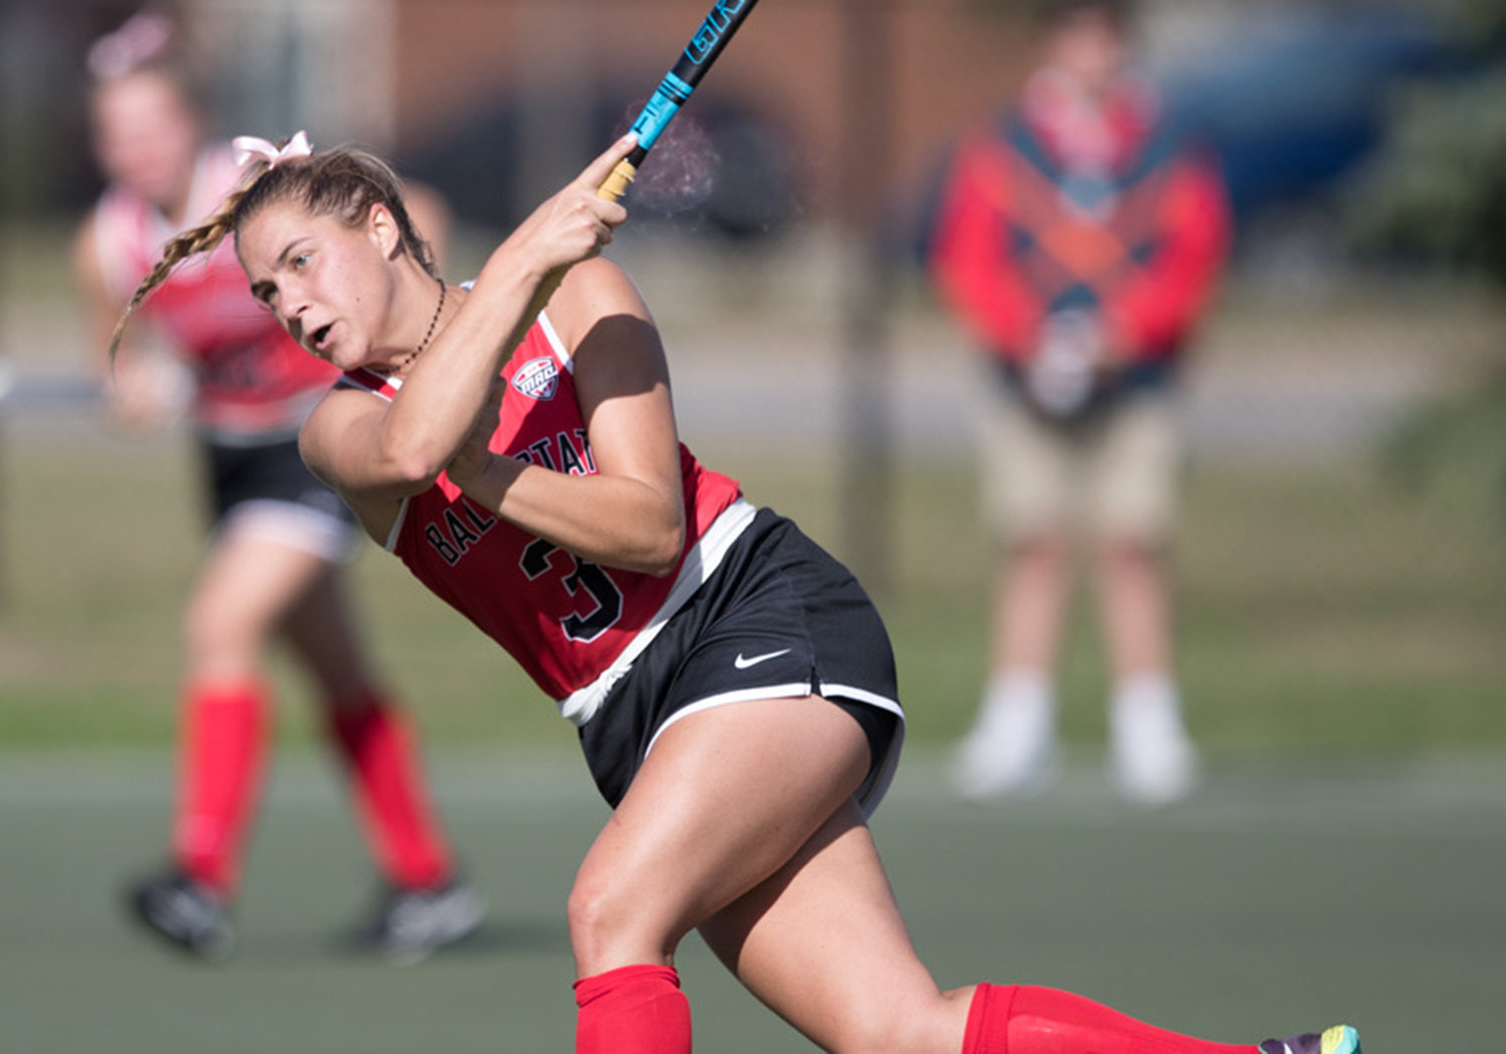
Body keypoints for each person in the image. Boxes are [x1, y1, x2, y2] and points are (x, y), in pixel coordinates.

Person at [113, 127, 1355, 1054]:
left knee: (610, 910)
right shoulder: (342, 433)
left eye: (304, 263)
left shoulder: (579, 297)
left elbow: (650, 525)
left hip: (759, 621)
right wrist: (516, 270)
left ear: (380, 225)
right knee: (901, 1033)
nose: (293, 308)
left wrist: (531, 300)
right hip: (638, 718)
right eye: (270, 294)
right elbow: (409, 451)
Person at [73, 12, 480, 964]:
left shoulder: (252, 194)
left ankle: (200, 881)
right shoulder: (107, 241)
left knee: (221, 628)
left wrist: (402, 347)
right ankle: (429, 883)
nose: (134, 150)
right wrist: (133, 389)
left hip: (318, 448)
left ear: (193, 121)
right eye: (113, 134)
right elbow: (118, 364)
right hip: (229, 467)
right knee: (334, 671)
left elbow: (419, 214)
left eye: (151, 127)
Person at [926, 0, 1231, 804]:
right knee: (1035, 540)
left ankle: (1148, 724)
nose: (1090, 49)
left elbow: (1193, 254)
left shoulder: (1168, 144)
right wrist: (1031, 339)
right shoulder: (1001, 144)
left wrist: (1124, 335)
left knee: (1134, 541)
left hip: (1137, 384)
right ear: (1051, 41)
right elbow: (968, 258)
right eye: (1074, 31)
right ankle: (1019, 723)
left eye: (1105, 33)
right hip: (1024, 384)